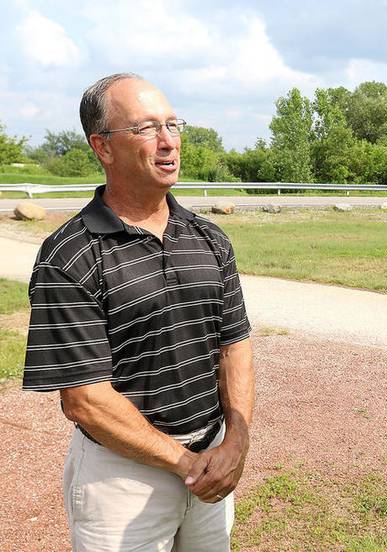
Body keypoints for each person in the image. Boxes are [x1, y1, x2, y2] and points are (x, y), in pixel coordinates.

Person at [22, 73, 254, 551]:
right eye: (147, 128)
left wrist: (235, 442)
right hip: (123, 479)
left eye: (173, 124)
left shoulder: (209, 238)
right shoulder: (69, 256)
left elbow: (234, 344)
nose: (169, 141)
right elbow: (84, 399)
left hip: (212, 460)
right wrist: (185, 464)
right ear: (103, 147)